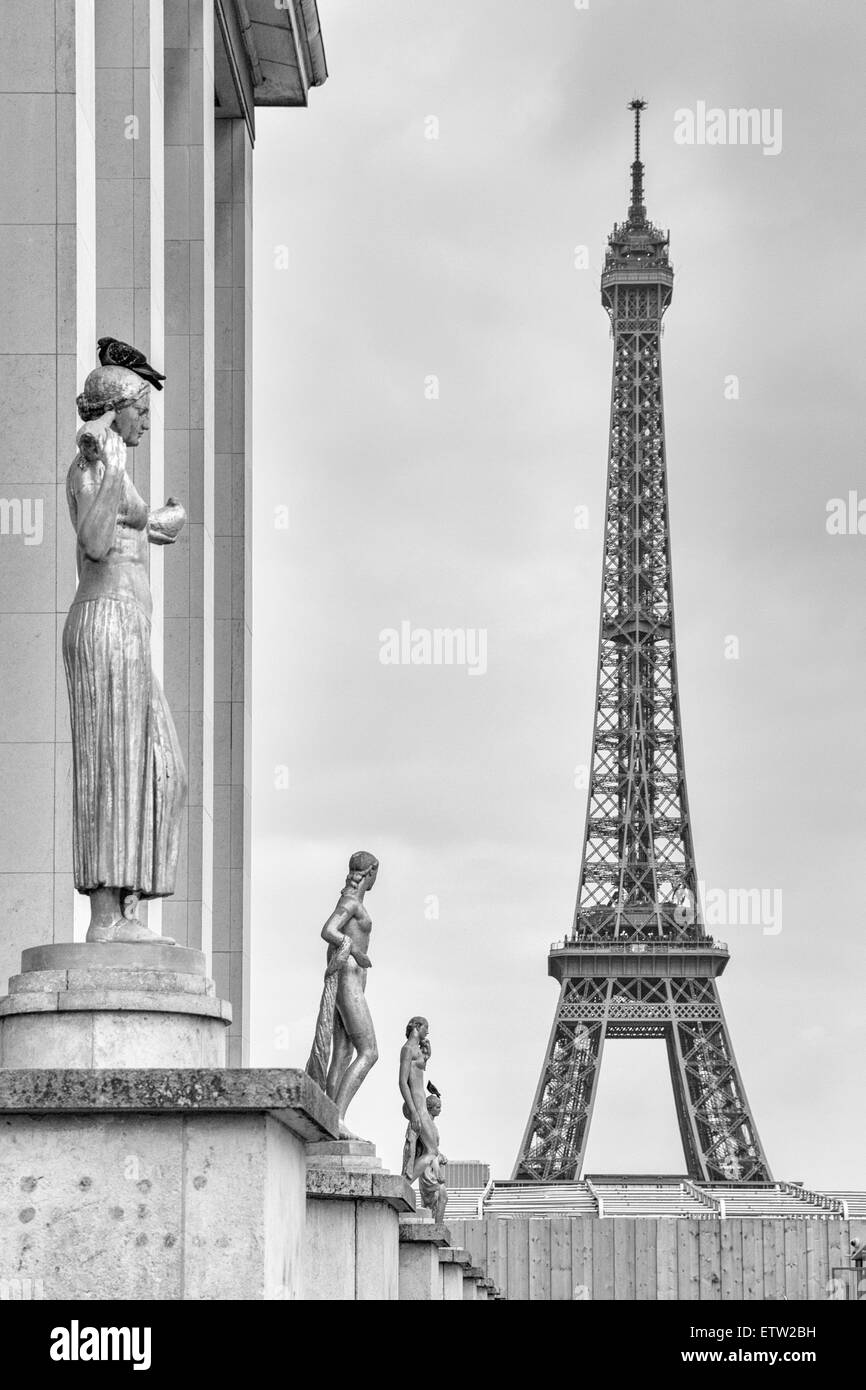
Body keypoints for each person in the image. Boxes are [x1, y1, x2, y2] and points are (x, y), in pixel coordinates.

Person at [63, 359, 187, 943]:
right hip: (103, 622)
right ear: (119, 409)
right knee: (113, 762)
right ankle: (106, 918)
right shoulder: (90, 465)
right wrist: (107, 462)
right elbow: (92, 539)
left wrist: (167, 516)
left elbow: (144, 524)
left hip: (131, 630)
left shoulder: (119, 468)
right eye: (140, 410)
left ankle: (130, 902)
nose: (145, 421)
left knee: (164, 770)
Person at [306, 851, 379, 1128]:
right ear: (370, 873)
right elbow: (328, 930)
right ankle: (337, 1117)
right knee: (370, 1052)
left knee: (342, 1053)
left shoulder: (353, 901)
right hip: (348, 977)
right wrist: (354, 951)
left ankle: (331, 1118)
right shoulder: (351, 902)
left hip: (350, 979)